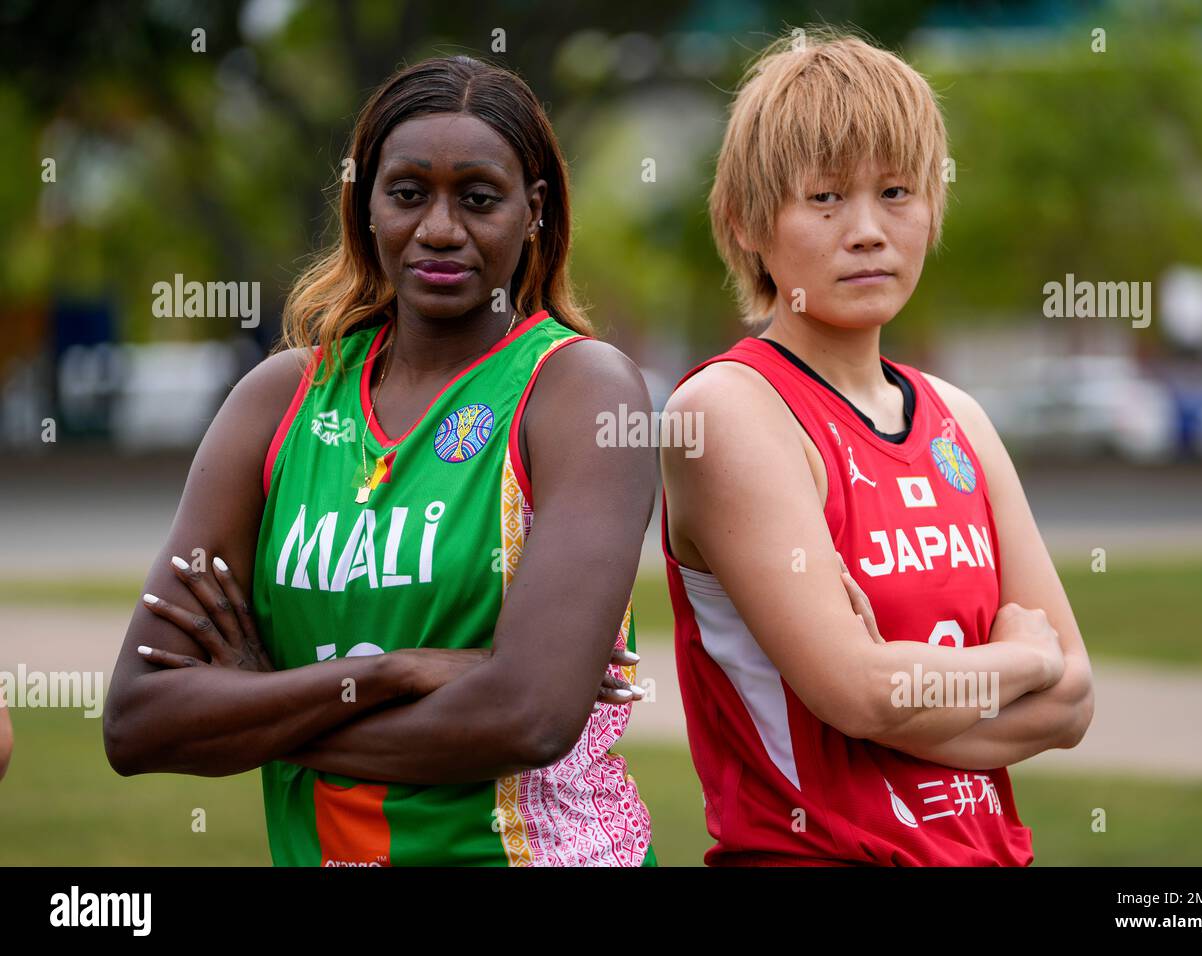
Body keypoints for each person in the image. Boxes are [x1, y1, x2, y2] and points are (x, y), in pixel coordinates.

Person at [103, 54, 658, 867]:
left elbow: (528, 717)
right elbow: (137, 720)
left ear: (532, 211)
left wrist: (260, 705)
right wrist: (397, 674)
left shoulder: (580, 390)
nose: (439, 228)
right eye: (407, 194)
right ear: (366, 207)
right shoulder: (280, 399)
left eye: (477, 198)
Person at [659, 28, 1095, 866]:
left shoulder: (957, 416)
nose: (867, 230)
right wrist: (1017, 659)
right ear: (748, 221)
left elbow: (1071, 703)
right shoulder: (727, 410)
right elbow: (859, 695)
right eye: (824, 199)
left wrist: (898, 688)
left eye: (896, 191)